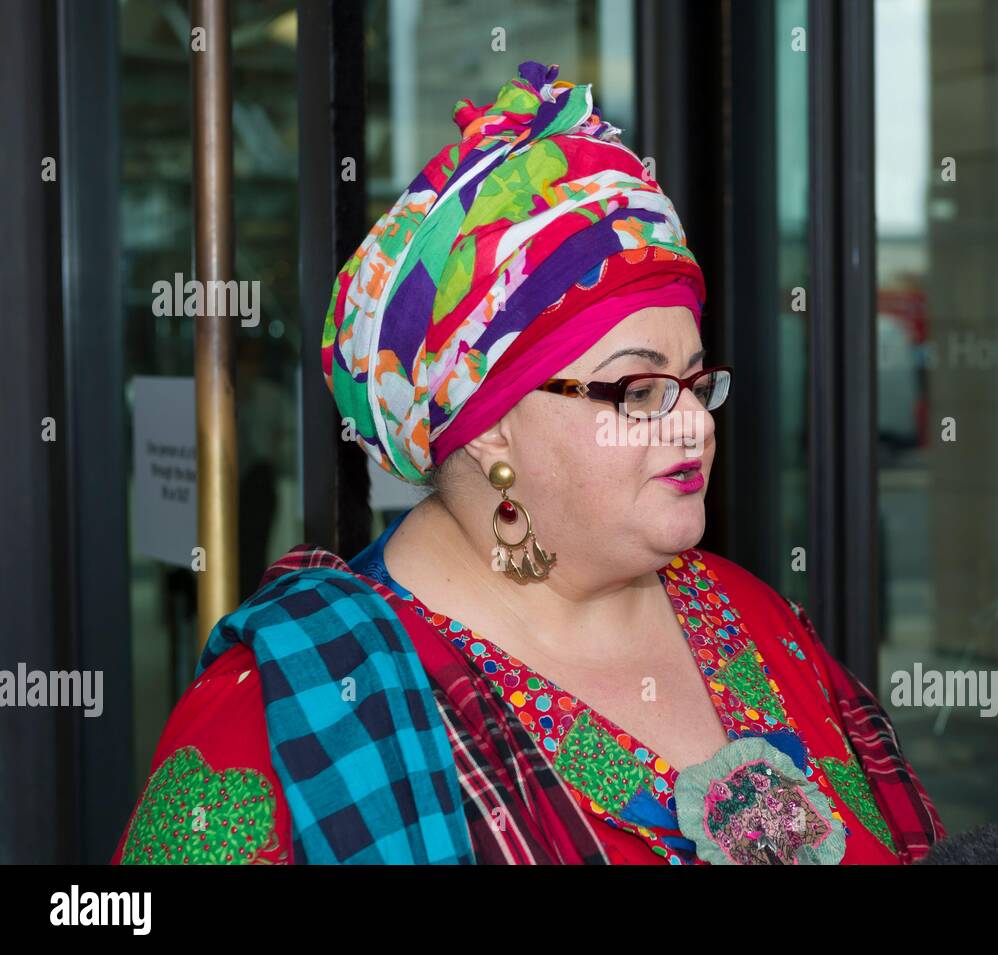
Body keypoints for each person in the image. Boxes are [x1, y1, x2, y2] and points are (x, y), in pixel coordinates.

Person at [113, 61, 944, 865]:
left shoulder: (752, 620)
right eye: (639, 387)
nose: (693, 421)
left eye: (695, 380)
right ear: (488, 429)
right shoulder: (289, 716)